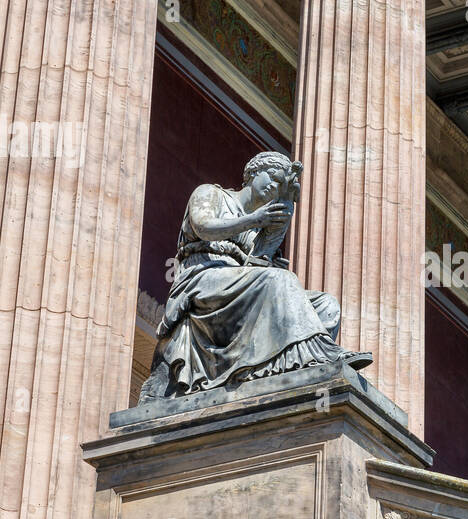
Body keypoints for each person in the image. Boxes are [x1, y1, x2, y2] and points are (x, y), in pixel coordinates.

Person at [140, 151, 370, 400]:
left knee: (325, 305)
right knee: (279, 281)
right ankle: (318, 354)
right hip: (202, 278)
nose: (274, 186)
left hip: (237, 287)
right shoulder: (212, 194)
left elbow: (256, 265)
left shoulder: (255, 230)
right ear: (252, 173)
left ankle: (284, 368)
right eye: (272, 177)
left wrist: (283, 215)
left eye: (281, 184)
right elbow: (202, 226)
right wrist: (252, 220)